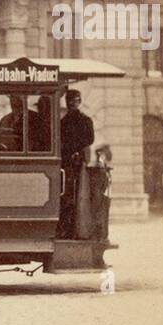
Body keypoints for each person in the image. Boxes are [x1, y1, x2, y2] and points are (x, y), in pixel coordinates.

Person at [59, 88, 95, 238]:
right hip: (68, 163)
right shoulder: (63, 122)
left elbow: (89, 139)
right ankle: (69, 230)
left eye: (75, 101)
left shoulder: (85, 121)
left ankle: (77, 230)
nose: (72, 104)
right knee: (68, 197)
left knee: (79, 196)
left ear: (79, 102)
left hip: (79, 164)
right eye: (70, 101)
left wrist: (77, 151)